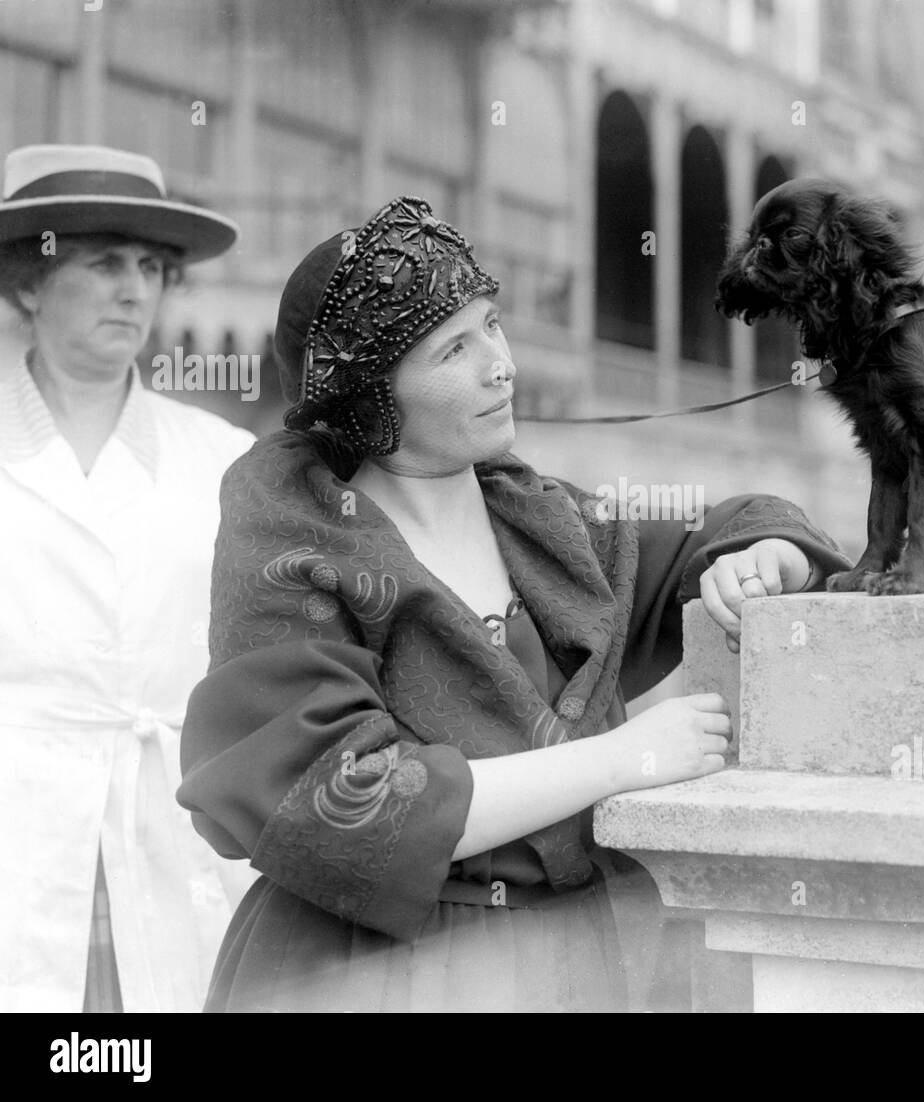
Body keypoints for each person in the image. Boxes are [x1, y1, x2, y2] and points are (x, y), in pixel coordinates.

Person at [178, 195, 851, 1012]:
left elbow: (735, 526)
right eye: (452, 349)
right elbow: (340, 802)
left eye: (491, 324)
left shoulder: (549, 523)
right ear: (370, 396)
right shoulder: (296, 549)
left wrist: (761, 557)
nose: (500, 364)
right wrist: (621, 758)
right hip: (369, 973)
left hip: (571, 964)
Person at [0, 144, 257, 1011]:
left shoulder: (222, 460)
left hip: (172, 831)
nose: (133, 289)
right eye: (103, 262)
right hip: (20, 829)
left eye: (150, 266)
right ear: (29, 283)